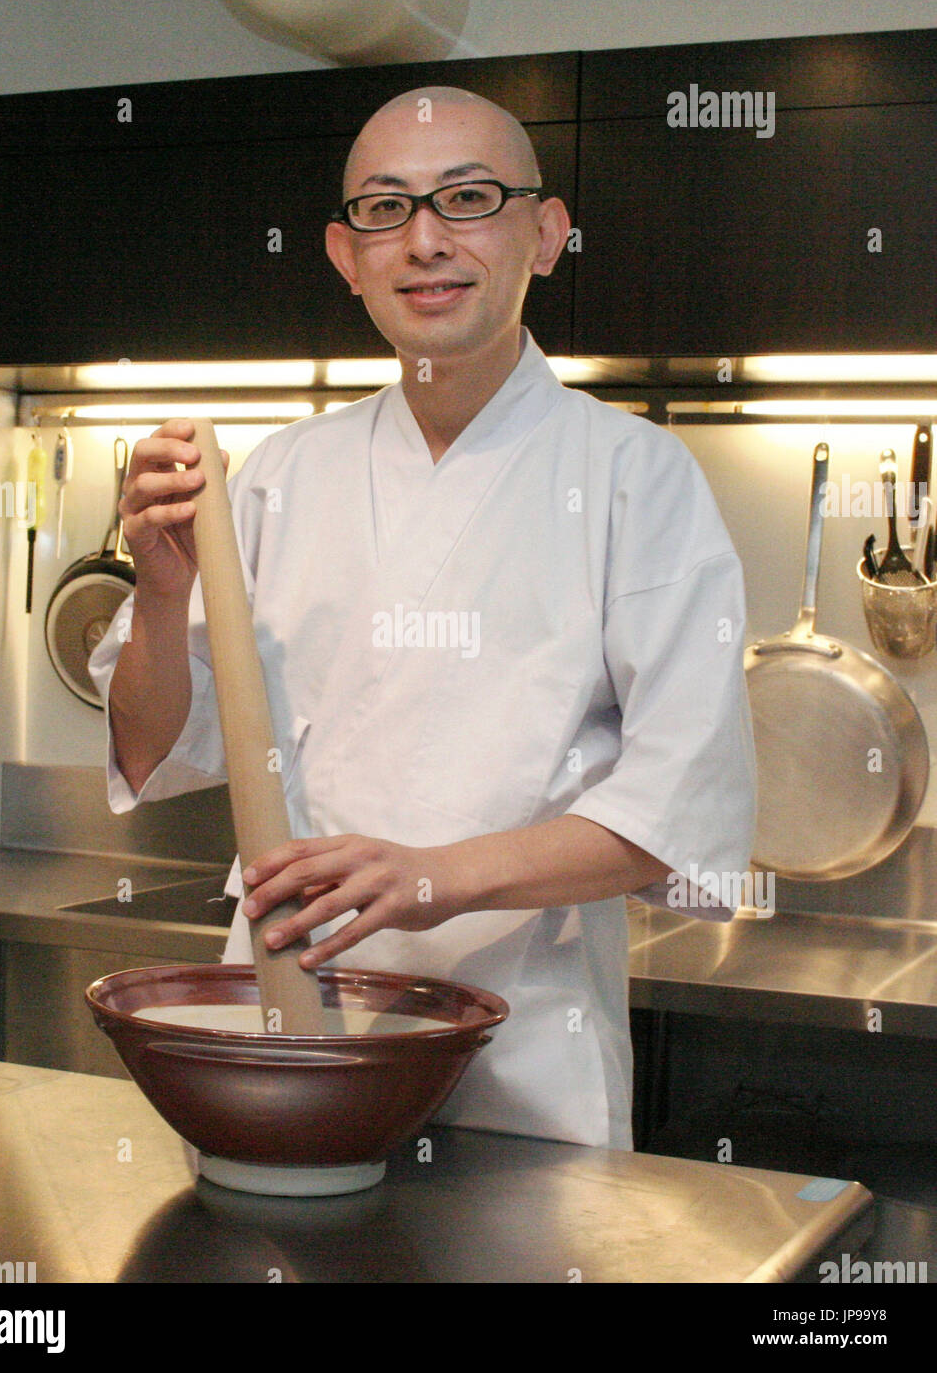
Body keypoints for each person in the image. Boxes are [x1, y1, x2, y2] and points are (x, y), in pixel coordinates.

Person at [89, 86, 756, 1151]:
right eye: (386, 210)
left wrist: (429, 877)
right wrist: (161, 597)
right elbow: (151, 745)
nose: (426, 240)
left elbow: (676, 805)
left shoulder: (636, 479)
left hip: (525, 1066)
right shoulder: (278, 477)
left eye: (468, 197)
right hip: (290, 1027)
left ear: (545, 235)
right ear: (345, 255)